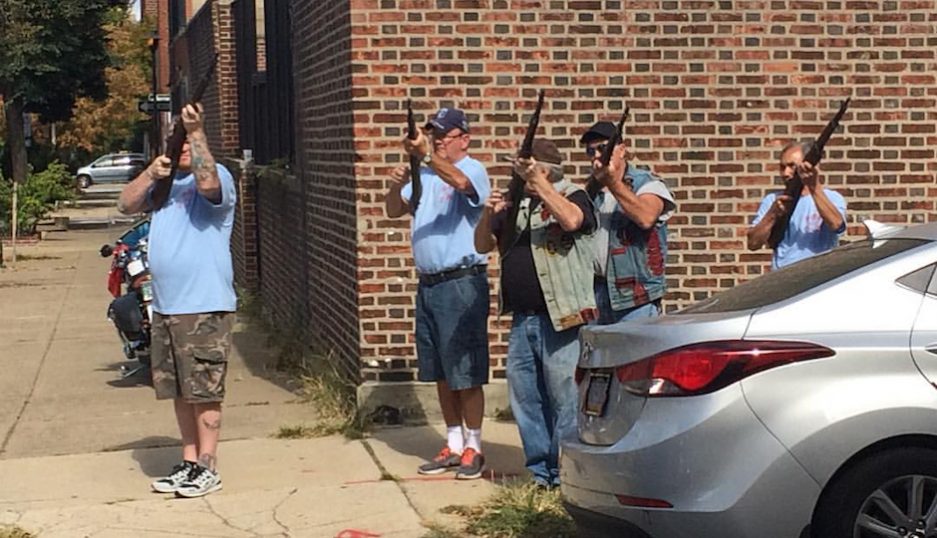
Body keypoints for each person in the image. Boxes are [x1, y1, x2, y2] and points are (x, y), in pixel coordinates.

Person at [118, 103, 237, 498]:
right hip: (167, 306)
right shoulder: (163, 187)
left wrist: (197, 130)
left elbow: (207, 185)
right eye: (179, 140)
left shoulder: (217, 175)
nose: (184, 146)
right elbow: (126, 202)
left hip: (203, 305)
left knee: (204, 389)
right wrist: (153, 171)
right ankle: (189, 461)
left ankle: (208, 466)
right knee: (180, 390)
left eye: (189, 142)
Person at [474, 139, 597, 488]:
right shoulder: (515, 204)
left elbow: (574, 221)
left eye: (526, 168)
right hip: (522, 317)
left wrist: (539, 185)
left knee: (565, 400)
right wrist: (489, 214)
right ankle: (542, 473)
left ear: (545, 170)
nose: (518, 174)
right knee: (526, 399)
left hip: (563, 316)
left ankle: (568, 474)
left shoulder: (573, 195)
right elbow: (482, 245)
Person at [385, 107, 492, 480]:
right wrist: (397, 182)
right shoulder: (426, 174)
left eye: (442, 135)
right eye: (433, 135)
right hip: (428, 283)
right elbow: (394, 210)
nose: (436, 141)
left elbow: (466, 187)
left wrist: (426, 156)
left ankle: (475, 446)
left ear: (464, 137)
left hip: (460, 281)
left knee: (466, 369)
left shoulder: (472, 169)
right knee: (441, 371)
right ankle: (454, 441)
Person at [580, 121, 676, 325]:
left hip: (635, 297)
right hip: (595, 293)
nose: (597, 155)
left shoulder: (647, 183)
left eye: (603, 148)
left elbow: (646, 217)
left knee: (637, 355)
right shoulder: (591, 192)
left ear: (622, 150)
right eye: (590, 151)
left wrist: (612, 182)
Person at [747, 141, 847, 270]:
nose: (785, 173)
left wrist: (814, 187)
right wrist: (772, 214)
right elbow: (753, 243)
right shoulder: (772, 200)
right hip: (782, 278)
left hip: (819, 276)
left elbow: (837, 226)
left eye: (791, 166)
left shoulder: (832, 197)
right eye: (782, 167)